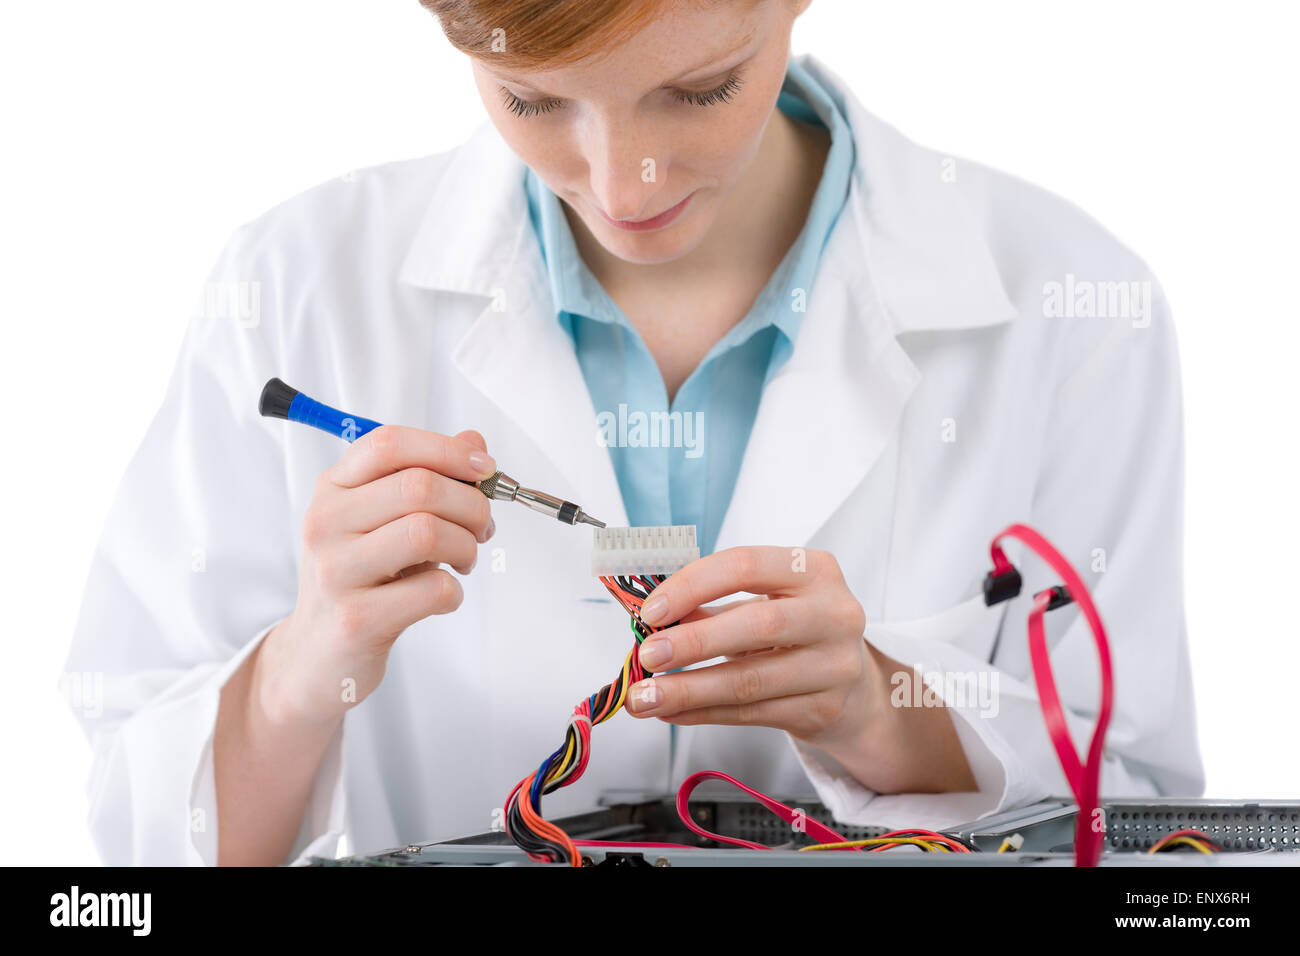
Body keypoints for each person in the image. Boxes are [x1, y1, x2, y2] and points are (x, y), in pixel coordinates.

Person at [64, 0, 1203, 865]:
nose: (622, 183)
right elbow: (129, 853)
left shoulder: (1074, 306)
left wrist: (879, 710)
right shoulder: (297, 288)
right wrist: (302, 669)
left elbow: (1157, 838)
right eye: (533, 99)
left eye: (699, 89)